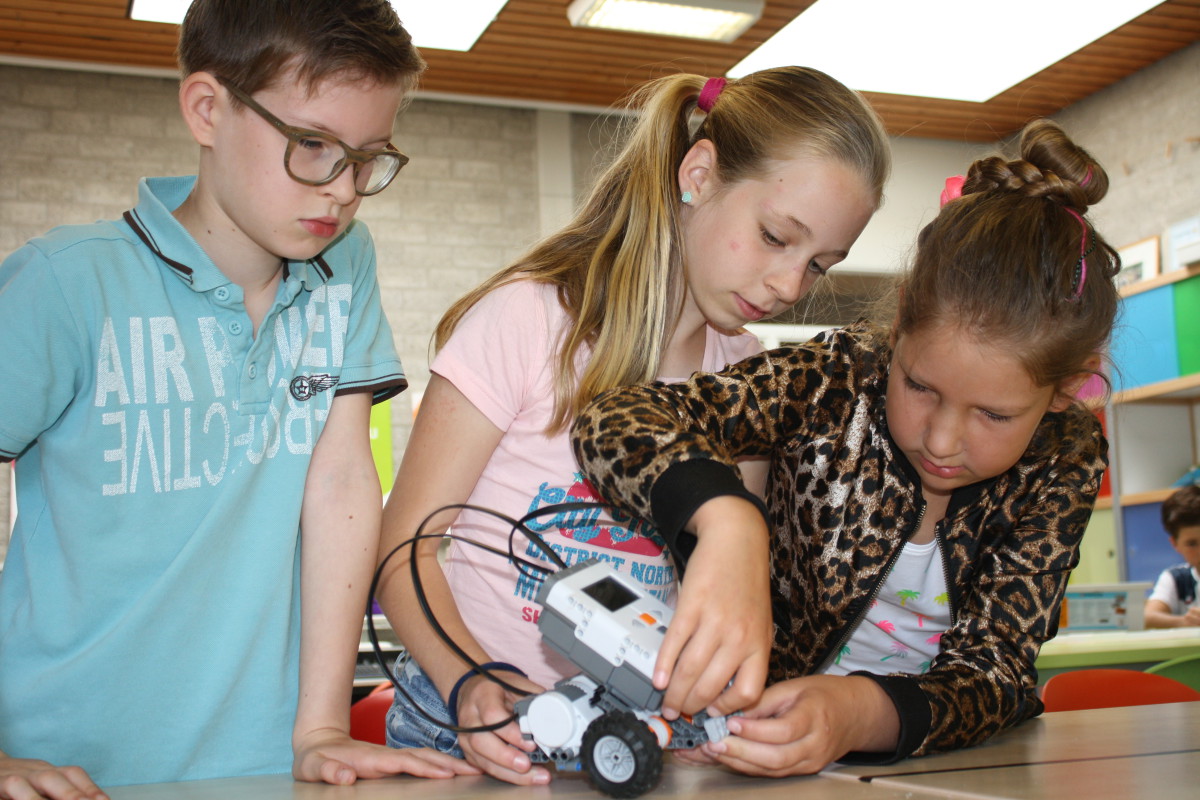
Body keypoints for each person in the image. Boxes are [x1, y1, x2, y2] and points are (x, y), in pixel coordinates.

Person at [0, 1, 477, 797]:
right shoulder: (65, 279)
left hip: (261, 762)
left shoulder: (342, 266)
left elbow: (338, 484)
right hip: (62, 760)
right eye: (313, 146)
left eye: (368, 158)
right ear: (208, 109)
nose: (344, 191)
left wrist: (323, 726)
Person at [373, 67, 891, 785]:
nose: (790, 285)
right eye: (775, 237)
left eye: (819, 265)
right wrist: (470, 682)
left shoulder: (745, 373)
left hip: (624, 735)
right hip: (465, 727)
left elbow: (718, 591)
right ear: (700, 175)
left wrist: (710, 701)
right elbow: (405, 547)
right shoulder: (527, 320)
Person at [570, 118, 1119, 776]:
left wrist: (855, 712)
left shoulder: (1065, 455)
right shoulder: (836, 379)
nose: (942, 439)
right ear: (898, 326)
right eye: (918, 385)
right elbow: (617, 416)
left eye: (995, 415)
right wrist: (729, 521)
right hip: (749, 744)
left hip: (936, 763)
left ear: (1065, 389)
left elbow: (994, 674)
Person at [1144, 484, 1200, 628]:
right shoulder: (1177, 579)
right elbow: (1148, 616)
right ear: (1175, 544)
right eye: (1192, 544)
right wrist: (1184, 622)